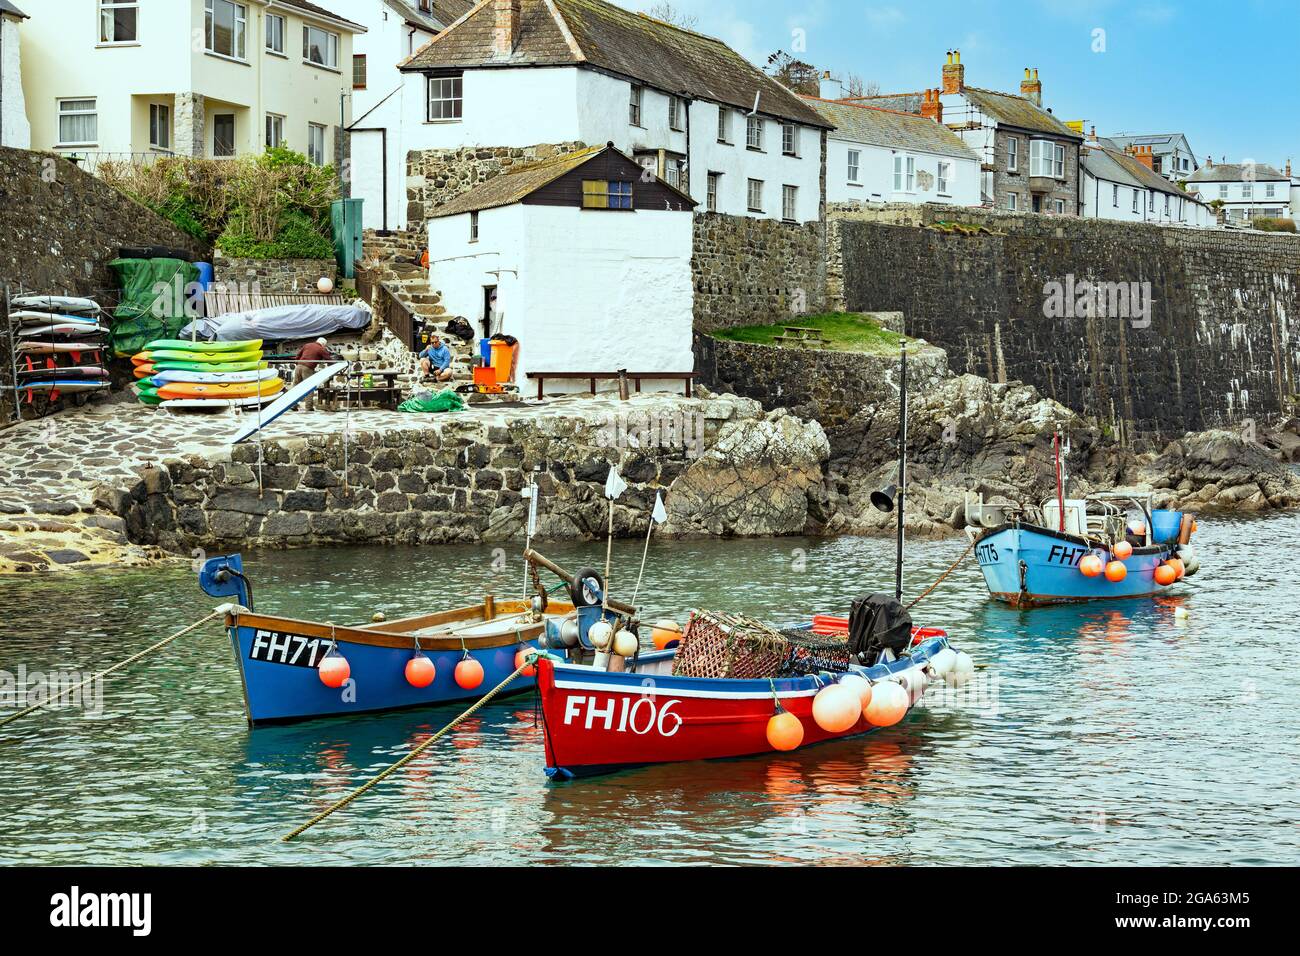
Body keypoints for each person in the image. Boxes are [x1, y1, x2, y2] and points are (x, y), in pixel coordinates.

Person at [293, 337, 334, 411]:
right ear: (323, 344)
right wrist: (334, 366)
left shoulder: (307, 345)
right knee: (309, 387)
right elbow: (329, 359)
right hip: (308, 368)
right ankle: (308, 407)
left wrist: (298, 363)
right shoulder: (321, 348)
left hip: (298, 366)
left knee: (296, 387)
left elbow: (298, 355)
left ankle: (293, 405)